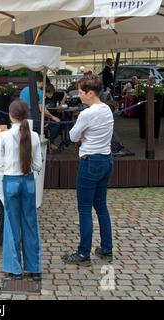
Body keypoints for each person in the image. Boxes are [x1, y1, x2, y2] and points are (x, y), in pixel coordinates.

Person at [62, 76, 114, 266]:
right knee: (101, 206)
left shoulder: (87, 114)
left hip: (90, 161)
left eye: (81, 92)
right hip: (106, 160)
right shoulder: (107, 109)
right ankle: (107, 248)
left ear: (90, 93)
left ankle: (83, 252)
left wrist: (83, 135)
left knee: (84, 209)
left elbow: (73, 136)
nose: (79, 95)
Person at [0, 99, 43, 281]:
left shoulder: (4, 136)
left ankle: (15, 269)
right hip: (28, 180)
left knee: (12, 223)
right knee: (30, 223)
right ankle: (34, 268)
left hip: (11, 180)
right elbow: (38, 164)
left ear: (10, 115)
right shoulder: (35, 136)